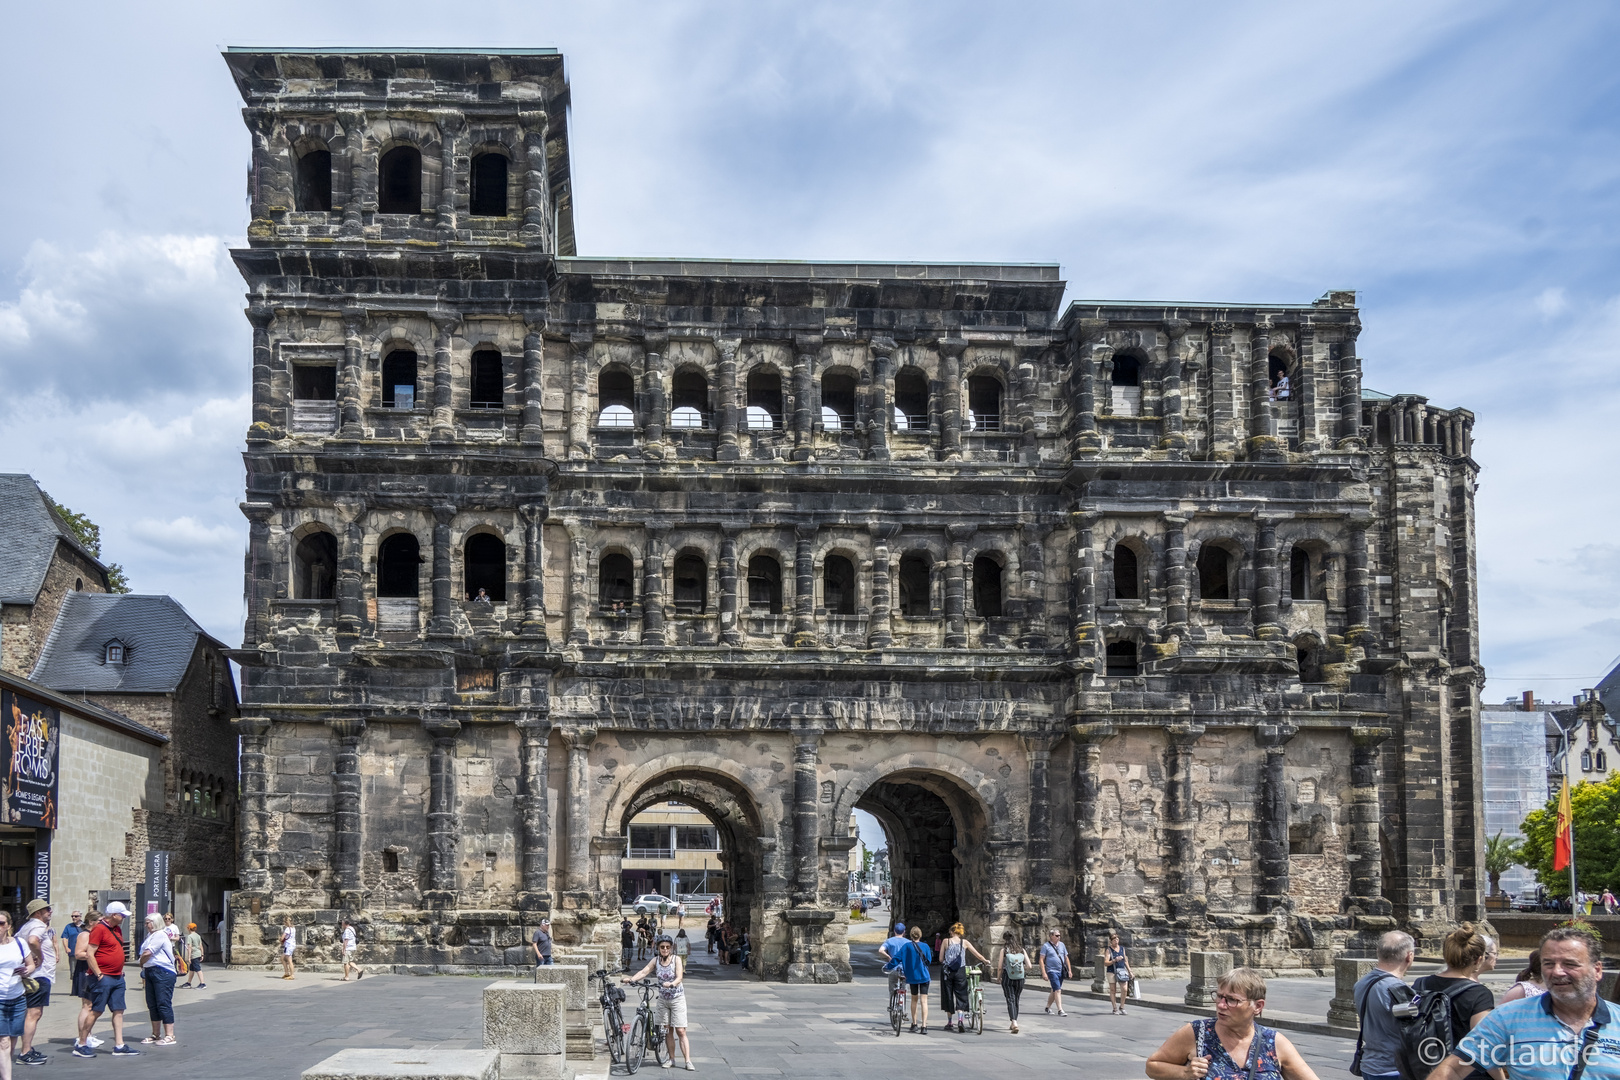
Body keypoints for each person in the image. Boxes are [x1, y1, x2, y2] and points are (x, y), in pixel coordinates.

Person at [1430, 926, 1614, 1080]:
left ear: (1597, 970)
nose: (1557, 972)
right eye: (1548, 964)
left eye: (1570, 964)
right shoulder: (1508, 1018)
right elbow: (1452, 1070)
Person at [1146, 968, 1321, 1080]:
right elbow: (1152, 1066)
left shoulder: (1274, 1042)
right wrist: (1184, 1073)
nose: (1221, 1005)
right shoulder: (1197, 1033)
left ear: (1257, 1006)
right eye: (1220, 996)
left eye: (1232, 1000)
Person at [1412, 922, 1496, 1080]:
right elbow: (1483, 1045)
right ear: (1479, 959)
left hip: (1422, 1066)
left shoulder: (1420, 984)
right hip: (1463, 1073)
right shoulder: (1479, 994)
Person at [1348, 930, 1414, 1080]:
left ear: (1378, 952)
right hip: (1394, 1068)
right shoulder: (1397, 989)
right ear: (1409, 956)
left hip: (1370, 1065)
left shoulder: (1361, 983)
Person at [76, 901, 137, 1058]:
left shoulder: (116, 929)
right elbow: (90, 953)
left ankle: (119, 1045)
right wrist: (98, 974)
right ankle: (81, 1044)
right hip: (103, 976)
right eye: (122, 914)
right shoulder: (99, 929)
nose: (124, 917)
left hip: (117, 976)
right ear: (114, 915)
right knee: (96, 1010)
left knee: (118, 1010)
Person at [624, 935, 693, 1071]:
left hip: (677, 998)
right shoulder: (656, 960)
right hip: (663, 999)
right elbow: (645, 971)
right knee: (667, 1031)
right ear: (658, 948)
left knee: (680, 1030)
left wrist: (672, 983)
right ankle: (671, 1059)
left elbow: (679, 976)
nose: (665, 949)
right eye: (662, 947)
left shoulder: (676, 960)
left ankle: (687, 1060)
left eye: (668, 947)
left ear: (671, 948)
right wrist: (632, 979)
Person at [16, 899, 56, 1066]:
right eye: (47, 909)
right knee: (34, 1014)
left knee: (30, 1014)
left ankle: (28, 1048)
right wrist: (39, 956)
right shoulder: (38, 926)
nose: (50, 912)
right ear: (38, 913)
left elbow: (18, 943)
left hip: (32, 975)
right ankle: (25, 1053)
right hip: (39, 976)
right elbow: (33, 941)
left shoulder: (24, 927)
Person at [0, 909, 38, 1076]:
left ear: (8, 926)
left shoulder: (19, 943)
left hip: (18, 997)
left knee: (13, 1039)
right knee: (4, 1041)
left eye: (2, 924)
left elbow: (31, 964)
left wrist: (27, 971)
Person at [937, 922, 989, 1034]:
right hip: (960, 971)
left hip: (947, 971)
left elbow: (941, 959)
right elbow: (978, 955)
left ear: (951, 931)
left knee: (948, 995)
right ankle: (960, 1020)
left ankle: (950, 1022)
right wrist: (985, 961)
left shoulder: (946, 941)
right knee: (961, 994)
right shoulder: (964, 942)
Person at [138, 912, 177, 1046]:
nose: (146, 925)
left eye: (148, 922)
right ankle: (156, 1034)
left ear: (154, 922)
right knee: (152, 1003)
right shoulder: (150, 936)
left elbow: (148, 952)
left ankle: (170, 1035)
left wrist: (141, 962)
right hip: (150, 971)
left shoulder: (160, 934)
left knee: (163, 1002)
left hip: (163, 972)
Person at [899, 926, 934, 1034]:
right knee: (924, 1001)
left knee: (914, 999)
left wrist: (889, 966)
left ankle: (914, 1024)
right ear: (920, 935)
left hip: (913, 976)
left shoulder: (907, 946)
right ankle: (924, 1025)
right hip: (924, 976)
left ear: (910, 935)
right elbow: (929, 959)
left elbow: (897, 957)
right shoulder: (925, 946)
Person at [995, 931, 1029, 1034]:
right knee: (1016, 998)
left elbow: (1000, 967)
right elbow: (1030, 965)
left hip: (1007, 977)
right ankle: (1014, 1021)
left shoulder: (1004, 950)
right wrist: (1021, 970)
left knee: (1010, 999)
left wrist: (998, 978)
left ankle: (1014, 1022)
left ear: (1005, 939)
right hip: (1020, 978)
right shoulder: (1022, 950)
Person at [1039, 928, 1072, 1016]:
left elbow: (1066, 958)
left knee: (1054, 990)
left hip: (1060, 970)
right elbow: (1041, 960)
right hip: (1051, 970)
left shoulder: (1062, 945)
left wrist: (1069, 970)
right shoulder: (1046, 946)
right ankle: (1060, 1010)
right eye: (1057, 935)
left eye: (1059, 935)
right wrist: (1044, 972)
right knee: (1058, 990)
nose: (1059, 937)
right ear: (1051, 936)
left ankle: (1047, 1007)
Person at [879, 922, 909, 1003]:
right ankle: (902, 1001)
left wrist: (888, 957)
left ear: (894, 931)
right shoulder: (908, 943)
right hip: (904, 969)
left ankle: (893, 1002)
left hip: (893, 968)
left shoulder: (889, 941)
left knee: (892, 986)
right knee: (903, 986)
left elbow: (881, 950)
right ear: (904, 932)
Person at [1106, 931, 1134, 1016]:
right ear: (1111, 941)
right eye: (1114, 940)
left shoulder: (1122, 948)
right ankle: (1114, 1008)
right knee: (1113, 989)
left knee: (1124, 989)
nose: (1116, 941)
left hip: (1121, 971)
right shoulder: (1109, 950)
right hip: (1111, 971)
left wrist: (1130, 971)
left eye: (1117, 939)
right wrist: (1114, 960)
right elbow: (1106, 962)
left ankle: (1122, 1006)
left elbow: (1125, 960)